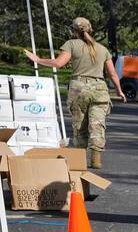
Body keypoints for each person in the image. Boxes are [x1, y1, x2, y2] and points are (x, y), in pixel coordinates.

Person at [24, 18, 125, 169]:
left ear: (74, 30)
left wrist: (38, 60)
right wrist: (119, 91)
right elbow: (112, 74)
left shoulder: (71, 44)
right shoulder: (103, 49)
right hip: (100, 89)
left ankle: (80, 159)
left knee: (80, 125)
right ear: (91, 30)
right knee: (97, 124)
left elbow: (58, 63)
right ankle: (96, 159)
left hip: (79, 88)